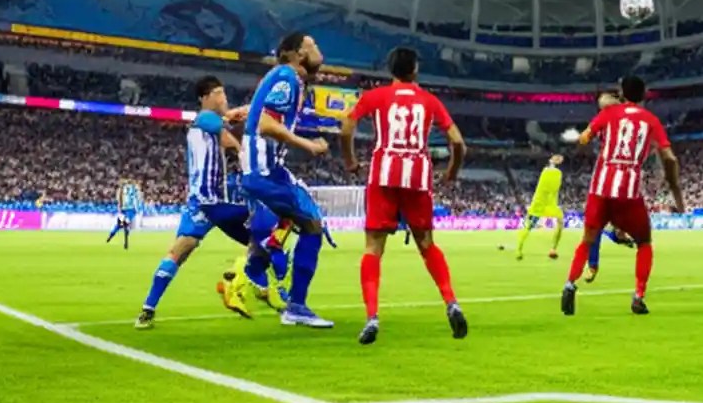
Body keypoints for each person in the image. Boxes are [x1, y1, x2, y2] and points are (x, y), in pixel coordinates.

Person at [341, 47, 468, 346]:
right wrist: (452, 172)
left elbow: (347, 127)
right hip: (417, 175)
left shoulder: (375, 96)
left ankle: (372, 317)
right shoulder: (430, 101)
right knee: (427, 245)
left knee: (373, 247)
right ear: (415, 70)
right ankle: (451, 303)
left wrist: (350, 161)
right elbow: (458, 142)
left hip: (383, 173)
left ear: (391, 70)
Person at [562, 75, 685, 317]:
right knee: (644, 243)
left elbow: (585, 138)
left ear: (622, 93)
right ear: (644, 95)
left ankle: (569, 284)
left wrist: (579, 138)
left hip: (600, 188)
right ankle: (638, 296)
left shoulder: (608, 113)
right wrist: (676, 195)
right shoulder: (651, 120)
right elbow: (669, 158)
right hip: (628, 192)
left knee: (587, 240)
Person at [234, 32, 333, 327]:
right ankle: (294, 304)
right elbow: (266, 123)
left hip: (266, 171)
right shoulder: (287, 78)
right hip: (265, 172)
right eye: (313, 45)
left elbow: (258, 113)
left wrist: (241, 112)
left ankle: (252, 271)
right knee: (312, 225)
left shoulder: (285, 78)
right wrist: (309, 145)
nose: (318, 50)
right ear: (297, 53)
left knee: (290, 226)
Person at [136, 77, 250, 329]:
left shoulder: (208, 128)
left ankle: (147, 309)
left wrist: (238, 138)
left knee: (179, 251)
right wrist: (246, 115)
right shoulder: (205, 119)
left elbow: (228, 135)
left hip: (198, 203)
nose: (224, 98)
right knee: (265, 237)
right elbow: (225, 129)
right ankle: (241, 283)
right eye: (219, 93)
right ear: (205, 98)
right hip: (214, 202)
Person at [516, 154, 566, 260]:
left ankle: (519, 250)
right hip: (544, 204)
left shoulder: (549, 173)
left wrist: (553, 161)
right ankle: (552, 248)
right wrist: (553, 161)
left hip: (541, 204)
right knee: (559, 222)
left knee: (529, 226)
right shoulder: (552, 172)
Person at [106, 179, 143, 249]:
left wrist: (119, 209)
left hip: (123, 210)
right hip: (131, 210)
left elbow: (118, 200)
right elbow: (138, 198)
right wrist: (138, 209)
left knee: (119, 225)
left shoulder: (121, 189)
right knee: (125, 225)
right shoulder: (134, 188)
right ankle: (126, 243)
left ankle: (111, 237)